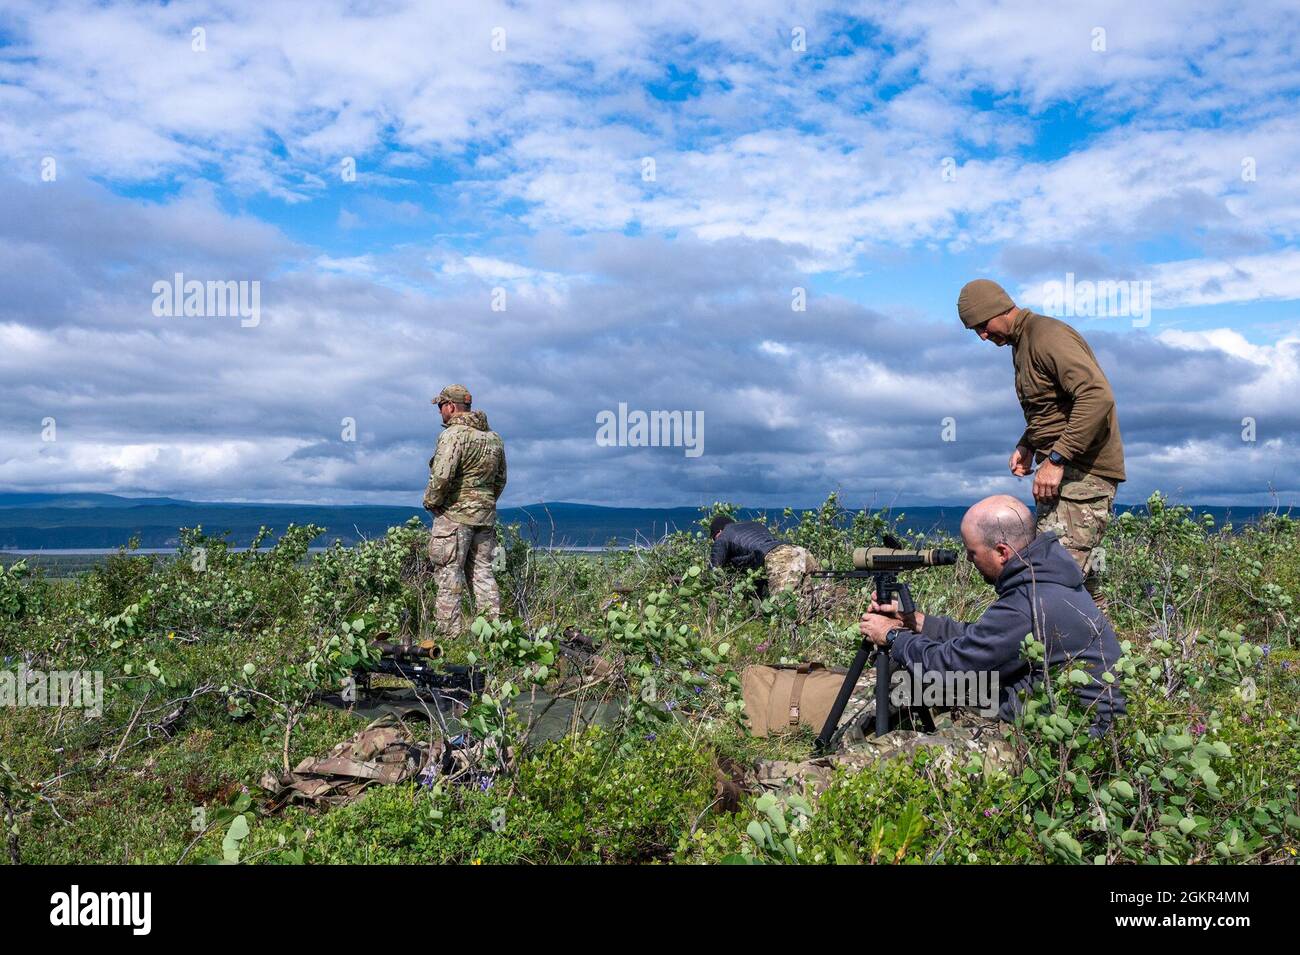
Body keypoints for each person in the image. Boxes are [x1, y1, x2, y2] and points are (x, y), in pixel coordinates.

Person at [857, 495, 1126, 736]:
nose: (970, 561)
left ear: (1001, 552)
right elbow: (986, 640)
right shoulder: (1046, 578)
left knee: (906, 755)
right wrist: (916, 622)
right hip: (1075, 720)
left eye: (973, 553)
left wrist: (892, 635)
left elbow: (949, 668)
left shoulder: (1026, 602)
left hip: (1071, 740)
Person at [958, 278, 1125, 607]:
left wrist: (1057, 459)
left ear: (999, 309)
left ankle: (1051, 656)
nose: (983, 336)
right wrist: (1029, 443)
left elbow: (1096, 396)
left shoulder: (1047, 335)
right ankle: (1103, 654)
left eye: (983, 325)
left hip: (1083, 473)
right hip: (1066, 472)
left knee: (1052, 579)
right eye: (975, 331)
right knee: (1080, 579)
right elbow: (1050, 405)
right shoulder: (1022, 343)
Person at [423, 384, 507, 636]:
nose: (440, 412)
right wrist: (484, 503)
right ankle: (493, 635)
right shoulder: (493, 438)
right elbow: (500, 479)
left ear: (450, 406)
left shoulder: (453, 435)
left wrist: (432, 502)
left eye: (441, 406)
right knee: (483, 573)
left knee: (449, 575)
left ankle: (450, 636)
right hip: (485, 517)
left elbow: (441, 476)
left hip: (454, 518)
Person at [709, 515, 817, 593]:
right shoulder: (754, 525)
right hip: (800, 551)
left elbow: (715, 569)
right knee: (816, 600)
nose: (715, 541)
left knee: (784, 609)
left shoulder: (724, 535)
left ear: (718, 532)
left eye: (714, 538)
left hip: (780, 558)